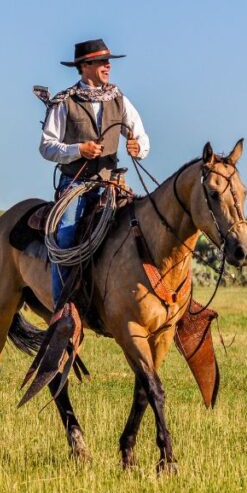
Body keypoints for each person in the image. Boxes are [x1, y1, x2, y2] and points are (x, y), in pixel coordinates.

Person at [38, 39, 150, 308]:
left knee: (141, 228)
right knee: (64, 239)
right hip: (75, 185)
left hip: (112, 184)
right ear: (85, 66)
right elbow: (46, 146)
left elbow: (141, 136)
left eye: (108, 62)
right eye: (101, 62)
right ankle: (62, 310)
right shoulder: (65, 102)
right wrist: (79, 149)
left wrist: (138, 147)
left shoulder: (119, 99)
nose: (107, 66)